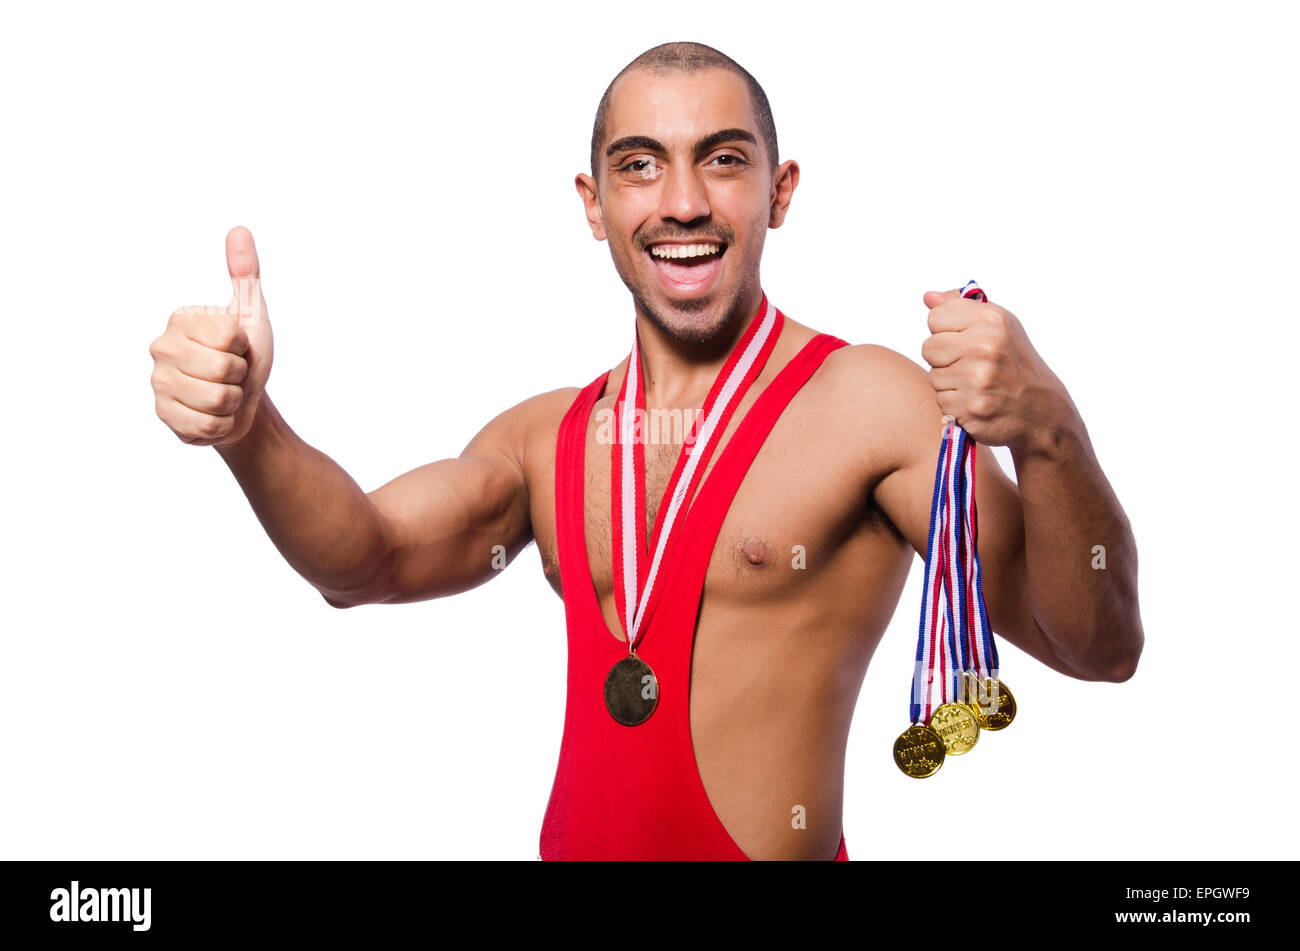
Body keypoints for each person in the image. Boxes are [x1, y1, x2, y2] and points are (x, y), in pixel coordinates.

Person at [147, 41, 1143, 861]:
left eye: (721, 159)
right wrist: (248, 427)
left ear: (778, 190)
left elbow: (1093, 646)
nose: (680, 203)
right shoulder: (545, 438)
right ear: (593, 204)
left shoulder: (868, 404)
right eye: (639, 164)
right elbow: (363, 560)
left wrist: (1049, 431)